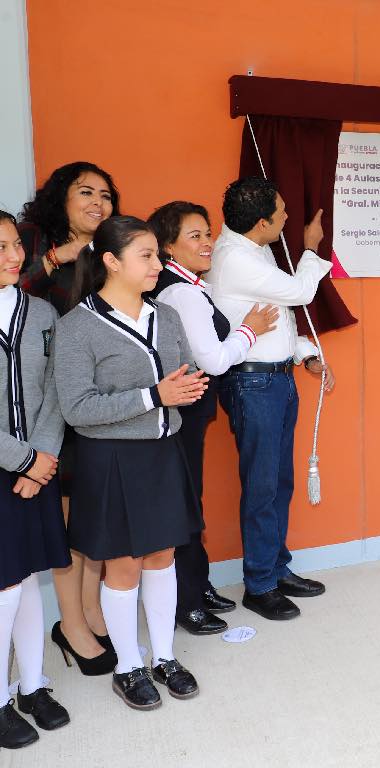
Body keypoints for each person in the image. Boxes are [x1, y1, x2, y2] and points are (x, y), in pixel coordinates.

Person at [54, 216, 207, 709]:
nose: (157, 265)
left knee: (162, 556)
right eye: (146, 256)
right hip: (113, 460)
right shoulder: (77, 326)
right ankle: (128, 666)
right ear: (111, 262)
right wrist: (154, 395)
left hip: (164, 453)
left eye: (156, 256)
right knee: (123, 566)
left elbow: (181, 373)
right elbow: (77, 410)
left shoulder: (166, 315)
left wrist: (188, 386)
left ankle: (163, 655)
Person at [207, 178, 335, 621]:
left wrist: (304, 352)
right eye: (280, 212)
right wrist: (312, 249)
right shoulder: (236, 259)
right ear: (261, 223)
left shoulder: (255, 249)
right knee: (262, 486)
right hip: (253, 385)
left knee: (280, 481)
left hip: (274, 379)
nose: (286, 217)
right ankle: (259, 583)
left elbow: (278, 316)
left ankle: (277, 569)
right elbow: (300, 293)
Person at [148, 202, 278, 634]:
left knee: (191, 500)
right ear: (168, 247)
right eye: (195, 236)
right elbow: (216, 360)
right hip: (180, 414)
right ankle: (187, 602)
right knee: (183, 505)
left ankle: (197, 587)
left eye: (208, 234)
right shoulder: (181, 292)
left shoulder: (190, 285)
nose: (207, 244)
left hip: (189, 414)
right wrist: (251, 329)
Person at [18, 162, 120, 674]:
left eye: (105, 195)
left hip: (98, 399)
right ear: (61, 198)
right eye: (86, 192)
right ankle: (71, 624)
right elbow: (13, 289)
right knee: (63, 519)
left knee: (92, 514)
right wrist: (59, 256)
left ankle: (93, 609)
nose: (97, 202)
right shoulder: (30, 241)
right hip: (46, 403)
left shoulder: (108, 252)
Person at [0, 211, 70, 748]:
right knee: (4, 586)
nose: (14, 255)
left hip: (38, 465)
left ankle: (33, 683)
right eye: (0, 247)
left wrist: (43, 454)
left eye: (15, 244)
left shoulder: (42, 311)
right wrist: (21, 459)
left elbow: (53, 388)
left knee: (25, 581)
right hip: (8, 466)